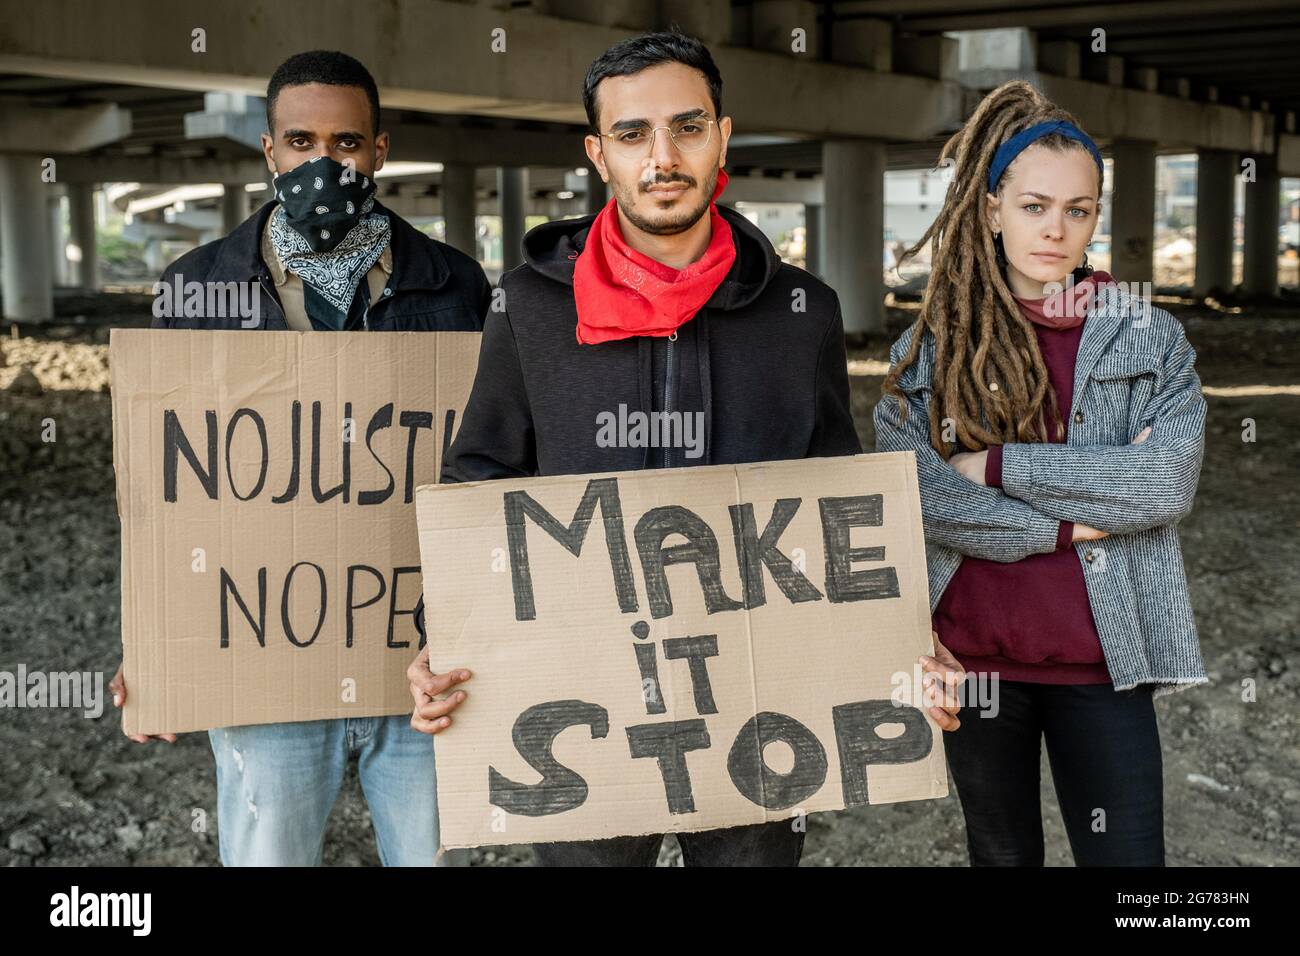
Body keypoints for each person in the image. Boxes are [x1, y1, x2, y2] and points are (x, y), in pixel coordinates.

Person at [405, 30, 966, 867]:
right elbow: (480, 479)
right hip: (581, 698)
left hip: (757, 699)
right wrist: (443, 638)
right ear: (599, 153)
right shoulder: (526, 308)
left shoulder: (802, 310)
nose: (662, 157)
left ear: (723, 136)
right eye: (633, 134)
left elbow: (841, 499)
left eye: (687, 127)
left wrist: (897, 633)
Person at [109, 49, 491, 866]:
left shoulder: (456, 286)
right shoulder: (197, 286)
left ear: (379, 152)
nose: (325, 165)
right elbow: (165, 488)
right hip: (264, 656)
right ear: (271, 152)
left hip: (420, 657)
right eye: (302, 143)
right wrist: (153, 640)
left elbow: (487, 459)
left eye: (346, 146)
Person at [874, 80, 1208, 866]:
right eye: (1033, 206)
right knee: (1001, 858)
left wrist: (993, 464)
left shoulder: (1148, 336)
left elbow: (1166, 483)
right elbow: (913, 495)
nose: (1056, 230)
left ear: (1095, 215)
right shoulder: (930, 351)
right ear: (992, 209)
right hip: (975, 665)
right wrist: (1064, 521)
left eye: (1078, 209)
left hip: (1105, 660)